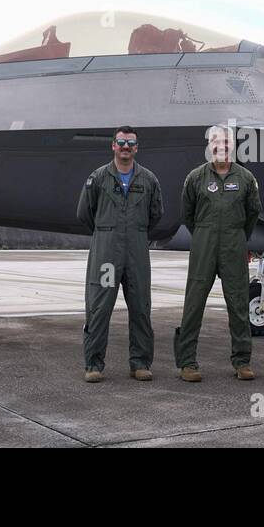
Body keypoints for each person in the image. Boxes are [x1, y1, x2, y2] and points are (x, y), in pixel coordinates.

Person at [76, 126, 163, 383]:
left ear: (136, 148)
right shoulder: (98, 178)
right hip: (106, 251)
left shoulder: (149, 180)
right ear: (113, 145)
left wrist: (134, 231)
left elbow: (156, 214)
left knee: (140, 307)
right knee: (99, 307)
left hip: (136, 250)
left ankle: (140, 363)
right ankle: (93, 364)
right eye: (121, 142)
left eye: (131, 143)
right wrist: (107, 231)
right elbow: (84, 213)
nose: (126, 147)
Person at [174, 125, 261, 382]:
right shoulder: (195, 178)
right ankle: (188, 363)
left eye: (224, 141)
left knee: (238, 304)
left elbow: (253, 213)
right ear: (208, 145)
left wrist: (237, 238)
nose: (220, 145)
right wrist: (204, 233)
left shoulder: (245, 178)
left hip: (234, 243)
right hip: (204, 242)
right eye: (215, 141)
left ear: (232, 145)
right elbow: (187, 214)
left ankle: (242, 361)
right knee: (193, 303)